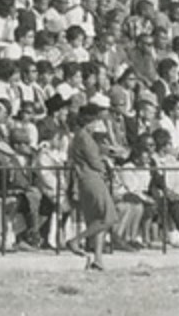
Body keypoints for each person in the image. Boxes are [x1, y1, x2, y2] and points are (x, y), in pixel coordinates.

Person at [68, 103, 117, 271]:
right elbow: (94, 162)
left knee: (98, 218)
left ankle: (98, 257)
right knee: (108, 217)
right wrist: (105, 163)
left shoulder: (80, 136)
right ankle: (76, 240)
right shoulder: (85, 137)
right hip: (92, 178)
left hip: (86, 178)